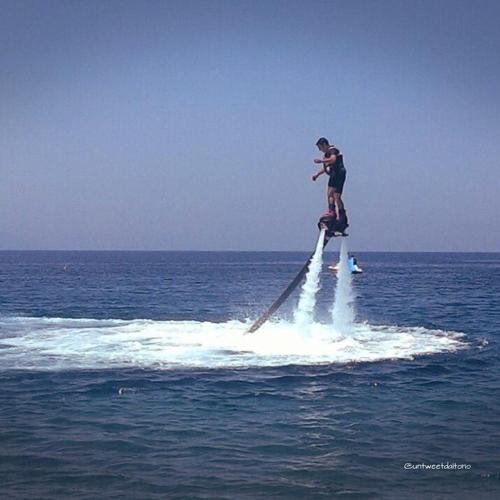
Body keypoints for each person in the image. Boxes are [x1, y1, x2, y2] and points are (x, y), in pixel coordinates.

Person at [312, 137, 347, 220]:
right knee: (336, 196)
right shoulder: (327, 155)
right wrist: (317, 175)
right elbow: (326, 167)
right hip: (336, 173)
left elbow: (333, 160)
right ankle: (342, 215)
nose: (320, 150)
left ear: (324, 145)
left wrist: (321, 161)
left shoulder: (333, 150)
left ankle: (332, 212)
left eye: (320, 148)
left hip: (338, 173)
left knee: (330, 193)